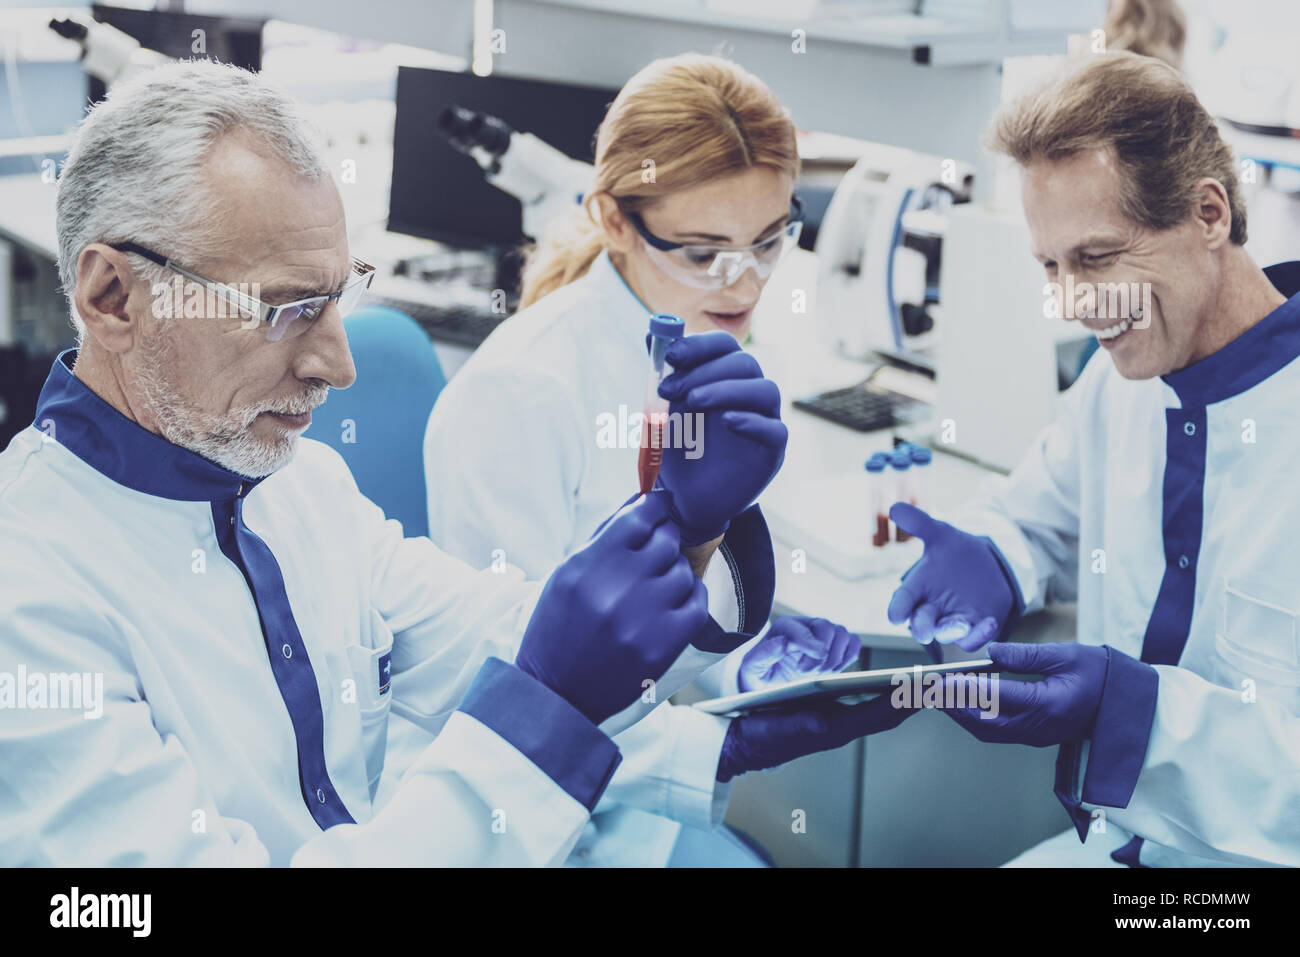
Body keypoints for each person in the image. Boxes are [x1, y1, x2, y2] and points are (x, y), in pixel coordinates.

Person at [0, 60, 797, 866]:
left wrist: (688, 531)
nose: (339, 366)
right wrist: (545, 709)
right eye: (287, 309)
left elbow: (508, 641)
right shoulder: (27, 602)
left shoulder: (301, 486)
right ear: (113, 298)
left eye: (338, 298)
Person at [415, 54, 908, 866]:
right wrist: (726, 741)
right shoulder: (520, 392)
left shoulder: (708, 339)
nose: (745, 281)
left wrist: (754, 662)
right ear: (612, 219)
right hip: (545, 831)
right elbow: (509, 696)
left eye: (770, 240)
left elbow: (677, 606)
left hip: (656, 809)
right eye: (704, 250)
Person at [886, 52, 1300, 867]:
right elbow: (1039, 514)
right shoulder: (1125, 379)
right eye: (1052, 265)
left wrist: (1132, 715)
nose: (1076, 303)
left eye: (1099, 257)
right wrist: (991, 558)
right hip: (1124, 851)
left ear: (1208, 213)